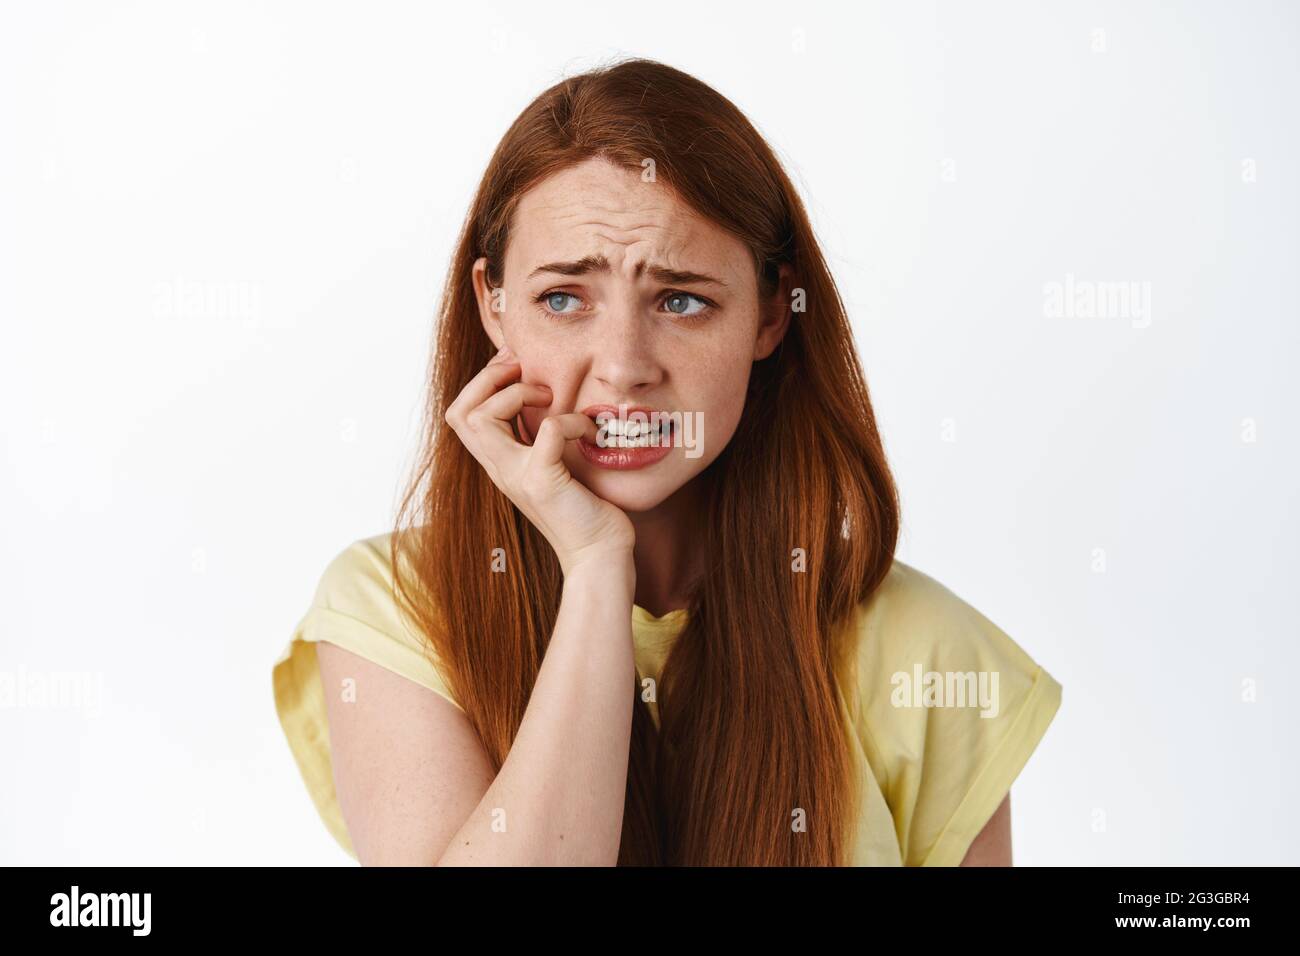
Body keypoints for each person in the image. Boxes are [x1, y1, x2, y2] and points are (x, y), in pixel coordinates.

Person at [272, 56, 1063, 866]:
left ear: (768, 316)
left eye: (681, 300)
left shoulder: (929, 651)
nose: (623, 366)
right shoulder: (393, 612)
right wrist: (594, 566)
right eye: (562, 299)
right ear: (492, 305)